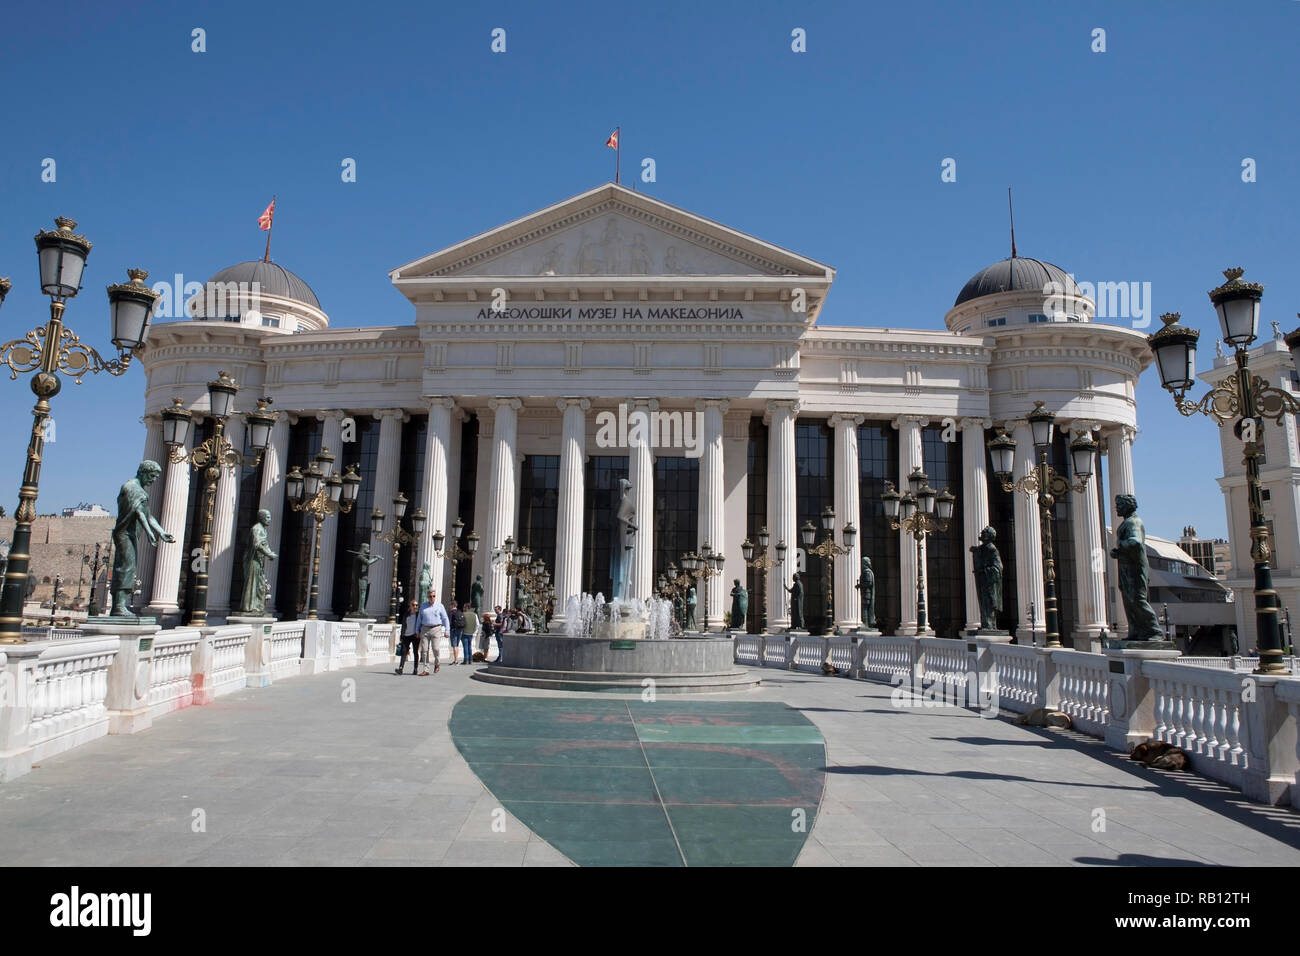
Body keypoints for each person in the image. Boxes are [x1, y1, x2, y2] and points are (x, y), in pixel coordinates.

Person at [416, 588, 451, 675]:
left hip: (436, 628)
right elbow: (419, 619)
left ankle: (437, 663)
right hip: (425, 629)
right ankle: (426, 669)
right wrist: (417, 630)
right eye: (430, 596)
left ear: (435, 596)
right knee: (424, 650)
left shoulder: (440, 606)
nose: (432, 598)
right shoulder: (423, 606)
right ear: (427, 597)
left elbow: (445, 618)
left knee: (435, 648)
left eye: (434, 596)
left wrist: (447, 630)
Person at [395, 598, 422, 675]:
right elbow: (403, 625)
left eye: (416, 605)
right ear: (410, 606)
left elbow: (420, 625)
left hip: (415, 635)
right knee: (404, 652)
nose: (415, 606)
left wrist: (419, 633)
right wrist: (401, 636)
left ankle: (415, 669)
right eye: (413, 605)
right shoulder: (406, 614)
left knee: (415, 652)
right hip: (406, 635)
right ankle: (400, 668)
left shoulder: (418, 615)